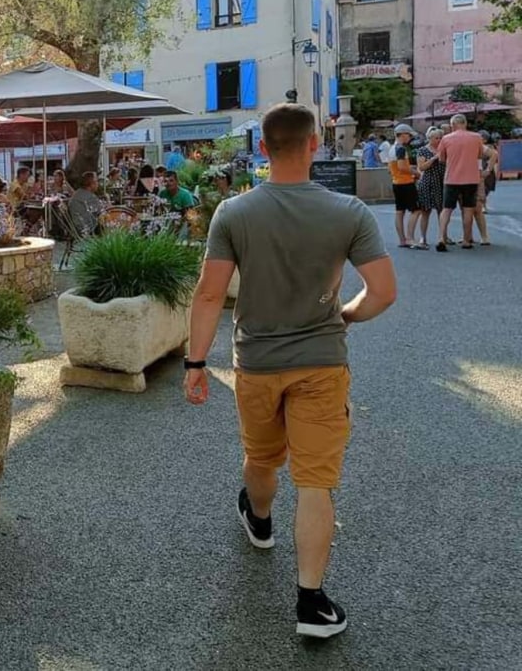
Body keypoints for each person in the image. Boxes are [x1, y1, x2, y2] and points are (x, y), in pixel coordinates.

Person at [184, 102, 396, 639]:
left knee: (261, 458)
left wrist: (194, 363)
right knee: (316, 482)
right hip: (322, 362)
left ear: (261, 149)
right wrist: (345, 314)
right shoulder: (349, 212)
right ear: (315, 146)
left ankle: (258, 520)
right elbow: (384, 293)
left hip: (255, 362)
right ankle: (311, 603)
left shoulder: (233, 213)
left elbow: (210, 294)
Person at [435, 114, 491, 252]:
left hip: (452, 178)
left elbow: (441, 159)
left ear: (453, 125)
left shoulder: (446, 139)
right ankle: (466, 240)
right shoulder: (476, 137)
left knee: (446, 209)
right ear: (465, 123)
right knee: (468, 209)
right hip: (471, 178)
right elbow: (479, 155)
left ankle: (442, 238)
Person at [388, 123, 421, 249]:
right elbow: (402, 167)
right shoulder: (401, 148)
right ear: (402, 134)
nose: (410, 137)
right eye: (408, 135)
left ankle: (402, 239)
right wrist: (415, 172)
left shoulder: (392, 148)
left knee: (399, 211)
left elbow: (391, 168)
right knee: (416, 210)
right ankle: (410, 238)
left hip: (396, 182)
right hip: (406, 182)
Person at [412, 128, 444, 249]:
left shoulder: (443, 149)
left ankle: (443, 237)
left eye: (440, 138)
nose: (439, 140)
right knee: (425, 211)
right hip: (427, 182)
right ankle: (423, 237)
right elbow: (421, 167)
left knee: (442, 212)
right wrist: (434, 158)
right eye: (436, 138)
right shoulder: (422, 151)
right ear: (429, 138)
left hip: (440, 183)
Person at [473, 132, 498, 246]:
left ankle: (483, 236)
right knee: (467, 209)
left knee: (476, 208)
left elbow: (494, 154)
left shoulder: (478, 146)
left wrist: (488, 170)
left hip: (477, 177)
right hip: (467, 178)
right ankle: (468, 236)